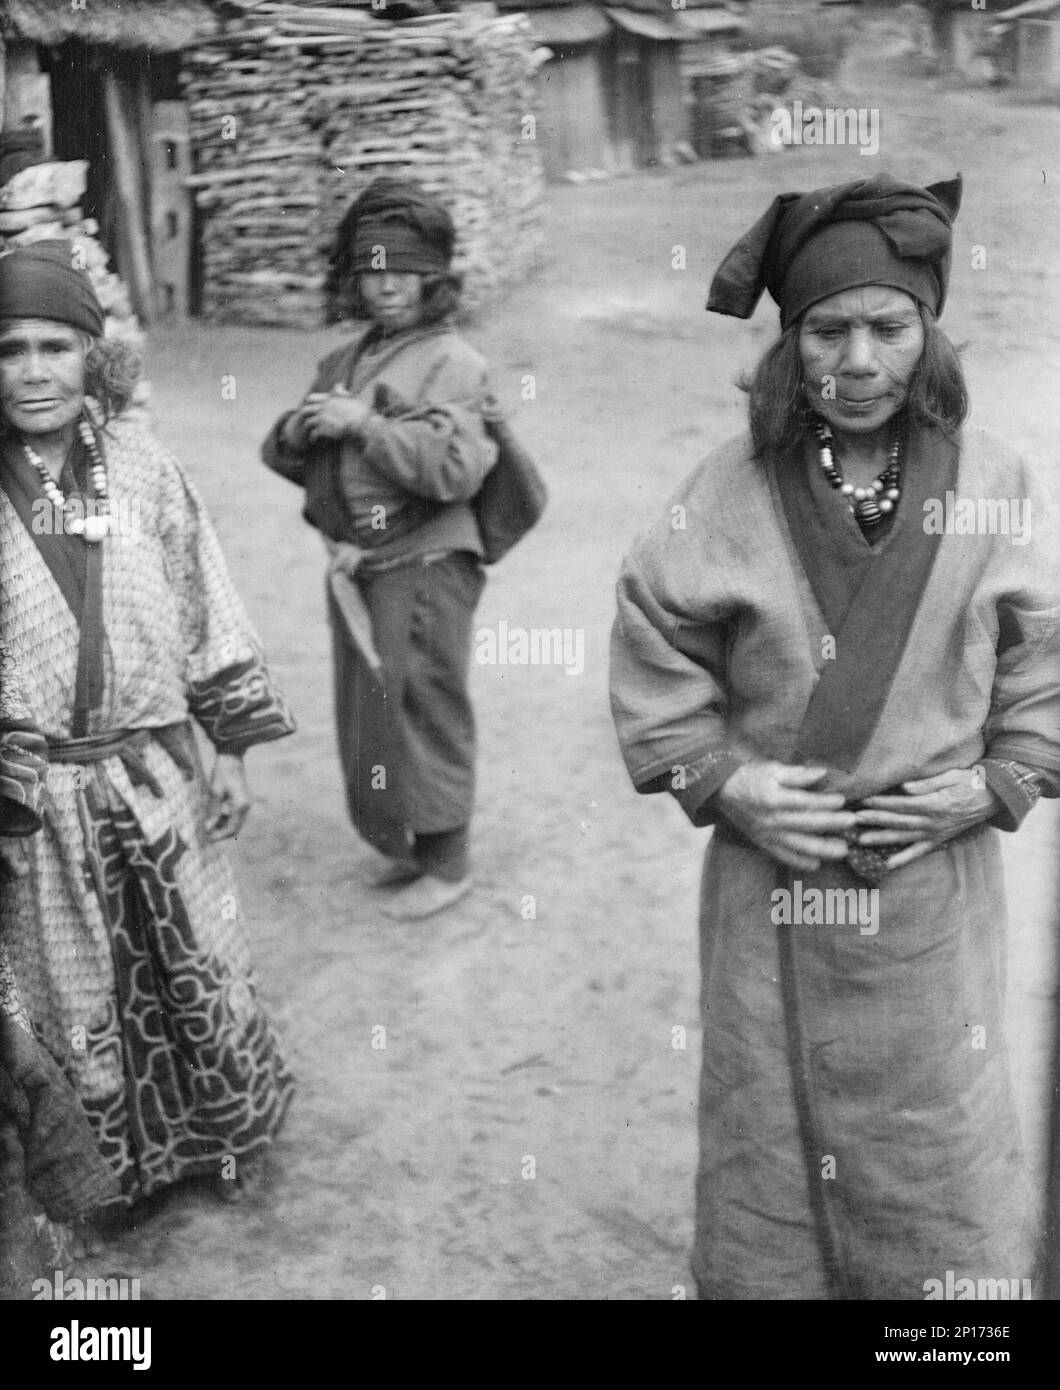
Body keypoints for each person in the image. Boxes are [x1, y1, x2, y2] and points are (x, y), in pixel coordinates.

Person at [609, 173, 1060, 1300]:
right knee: (770, 1124)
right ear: (789, 345)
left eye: (888, 327)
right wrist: (722, 782)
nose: (857, 361)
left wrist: (994, 784)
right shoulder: (721, 492)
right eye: (827, 330)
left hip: (928, 884)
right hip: (774, 887)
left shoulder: (995, 481)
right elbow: (656, 649)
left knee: (933, 1133)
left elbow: (1042, 654)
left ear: (929, 333)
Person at [0, 240, 296, 1215]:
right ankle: (110, 1176)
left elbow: (201, 599)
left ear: (95, 355)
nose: (34, 371)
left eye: (55, 345)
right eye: (9, 349)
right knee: (78, 998)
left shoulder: (141, 468)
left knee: (192, 960)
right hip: (37, 808)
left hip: (153, 775)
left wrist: (232, 747)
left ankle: (212, 1136)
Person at [262, 179, 498, 921]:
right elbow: (284, 450)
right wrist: (302, 430)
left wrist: (363, 426)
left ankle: (449, 861)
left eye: (403, 268)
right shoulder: (348, 357)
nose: (387, 282)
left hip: (425, 565)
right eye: (371, 268)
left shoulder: (453, 361)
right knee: (375, 712)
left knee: (425, 705)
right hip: (362, 566)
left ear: (436, 277)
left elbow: (456, 469)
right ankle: (412, 846)